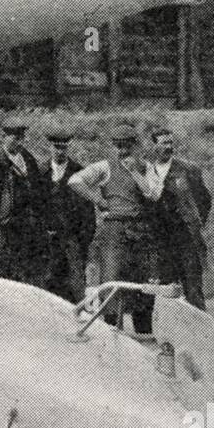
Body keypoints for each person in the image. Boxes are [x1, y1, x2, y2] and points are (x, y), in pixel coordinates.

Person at [68, 123, 164, 334]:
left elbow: (153, 194)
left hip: (141, 231)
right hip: (114, 229)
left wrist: (134, 173)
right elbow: (75, 180)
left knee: (143, 288)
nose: (122, 151)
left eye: (127, 146)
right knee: (111, 284)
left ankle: (144, 335)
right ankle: (110, 334)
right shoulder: (105, 167)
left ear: (136, 146)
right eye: (118, 147)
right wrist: (97, 200)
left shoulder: (147, 168)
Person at [146, 122, 213, 310]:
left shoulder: (188, 169)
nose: (168, 147)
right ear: (154, 146)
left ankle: (200, 332)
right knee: (166, 290)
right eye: (163, 143)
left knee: (193, 288)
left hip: (186, 238)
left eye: (170, 142)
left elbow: (204, 199)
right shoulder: (147, 171)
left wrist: (196, 222)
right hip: (160, 240)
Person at [0, 118, 47, 284]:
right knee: (4, 275)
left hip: (29, 228)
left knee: (28, 274)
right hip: (6, 229)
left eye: (21, 138)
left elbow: (38, 191)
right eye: (15, 138)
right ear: (5, 138)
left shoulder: (28, 159)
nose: (19, 142)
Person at [42, 126, 95, 303]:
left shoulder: (79, 173)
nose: (60, 151)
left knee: (75, 289)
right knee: (47, 288)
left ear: (68, 148)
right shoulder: (40, 172)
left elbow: (89, 215)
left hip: (72, 242)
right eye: (56, 147)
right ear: (49, 147)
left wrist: (81, 243)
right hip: (46, 243)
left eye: (63, 147)